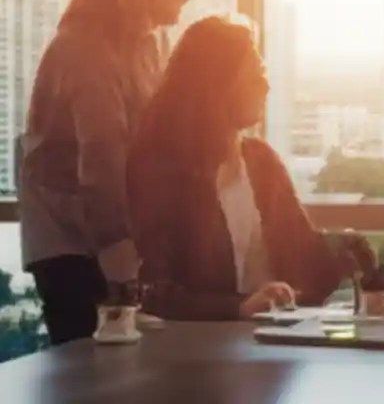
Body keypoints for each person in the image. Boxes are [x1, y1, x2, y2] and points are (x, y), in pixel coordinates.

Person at [19, 0, 203, 345]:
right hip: (74, 248)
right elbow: (101, 166)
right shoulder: (87, 49)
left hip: (117, 243)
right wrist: (125, 272)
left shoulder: (149, 43)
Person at [127, 16, 359, 320]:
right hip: (197, 353)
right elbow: (157, 293)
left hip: (271, 345)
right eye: (255, 74)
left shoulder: (261, 161)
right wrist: (239, 307)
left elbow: (305, 258)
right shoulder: (161, 172)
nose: (266, 85)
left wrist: (346, 249)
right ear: (217, 86)